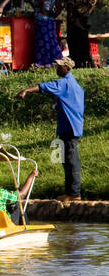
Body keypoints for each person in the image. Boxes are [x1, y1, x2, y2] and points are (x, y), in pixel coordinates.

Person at [17, 57, 84, 201]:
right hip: (72, 126)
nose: (57, 68)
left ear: (67, 68)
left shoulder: (64, 83)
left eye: (60, 66)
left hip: (69, 127)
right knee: (68, 160)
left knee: (71, 161)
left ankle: (74, 194)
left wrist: (26, 90)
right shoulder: (76, 85)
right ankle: (71, 192)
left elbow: (44, 87)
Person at [55, 0, 98, 68]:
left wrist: (71, 17)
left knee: (74, 42)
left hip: (74, 19)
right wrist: (87, 11)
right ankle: (88, 63)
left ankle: (77, 64)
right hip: (84, 18)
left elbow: (70, 4)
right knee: (84, 41)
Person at [31, 0, 62, 68]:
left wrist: (43, 12)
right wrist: (54, 15)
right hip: (51, 21)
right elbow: (60, 6)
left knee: (42, 41)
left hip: (41, 20)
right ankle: (55, 60)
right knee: (51, 40)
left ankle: (41, 62)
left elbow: (41, 4)